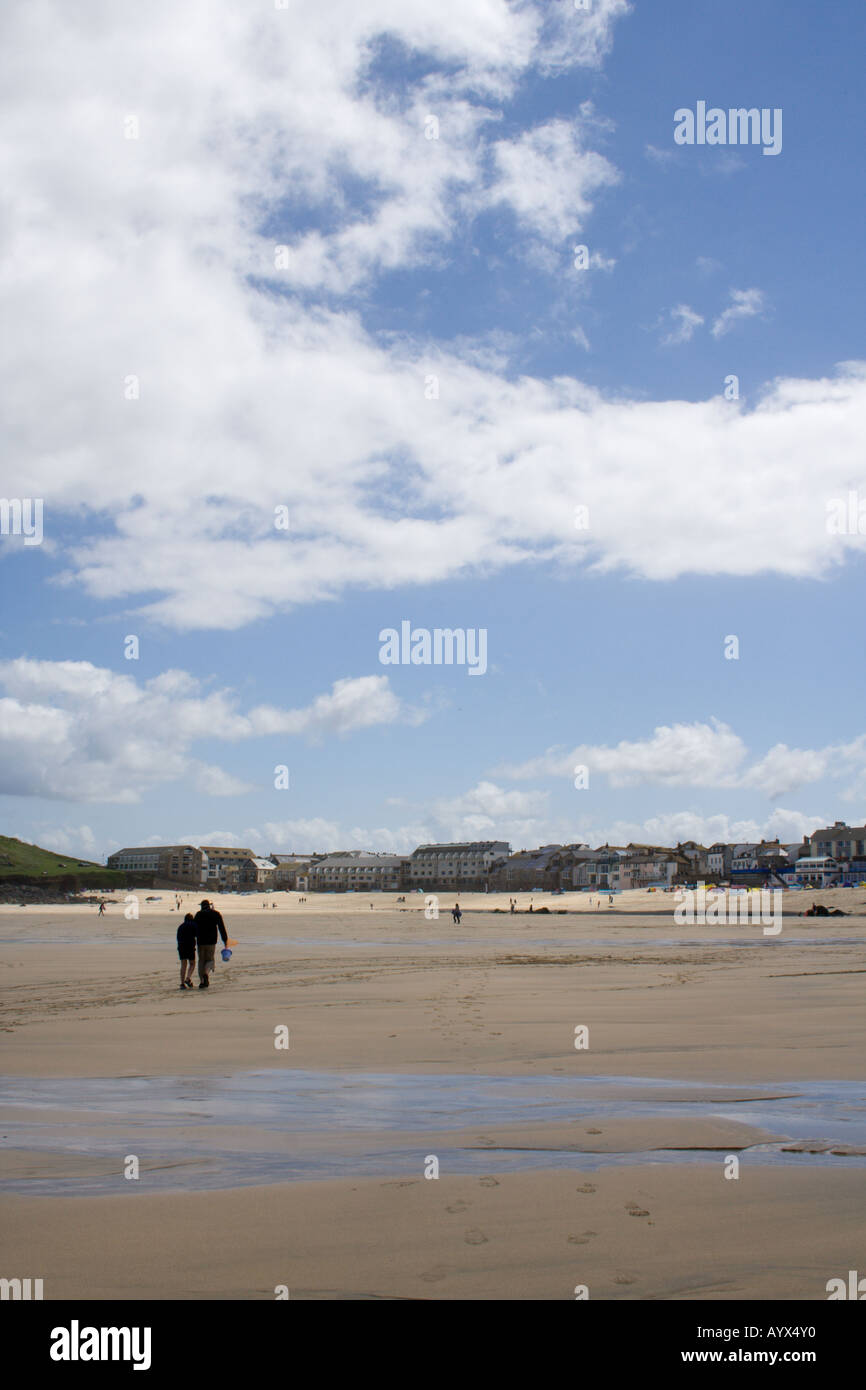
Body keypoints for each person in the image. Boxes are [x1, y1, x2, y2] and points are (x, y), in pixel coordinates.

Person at [193, 899, 228, 989]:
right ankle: (206, 973)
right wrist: (225, 940)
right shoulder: (215, 914)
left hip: (200, 941)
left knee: (201, 961)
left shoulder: (198, 914)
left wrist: (193, 940)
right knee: (210, 960)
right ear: (209, 905)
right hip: (211, 941)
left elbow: (193, 928)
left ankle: (202, 981)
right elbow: (221, 927)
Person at [177, 912, 196, 989]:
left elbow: (178, 937)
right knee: (192, 963)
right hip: (190, 946)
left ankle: (182, 983)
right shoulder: (193, 925)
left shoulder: (181, 926)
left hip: (181, 946)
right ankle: (188, 978)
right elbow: (196, 934)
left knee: (183, 965)